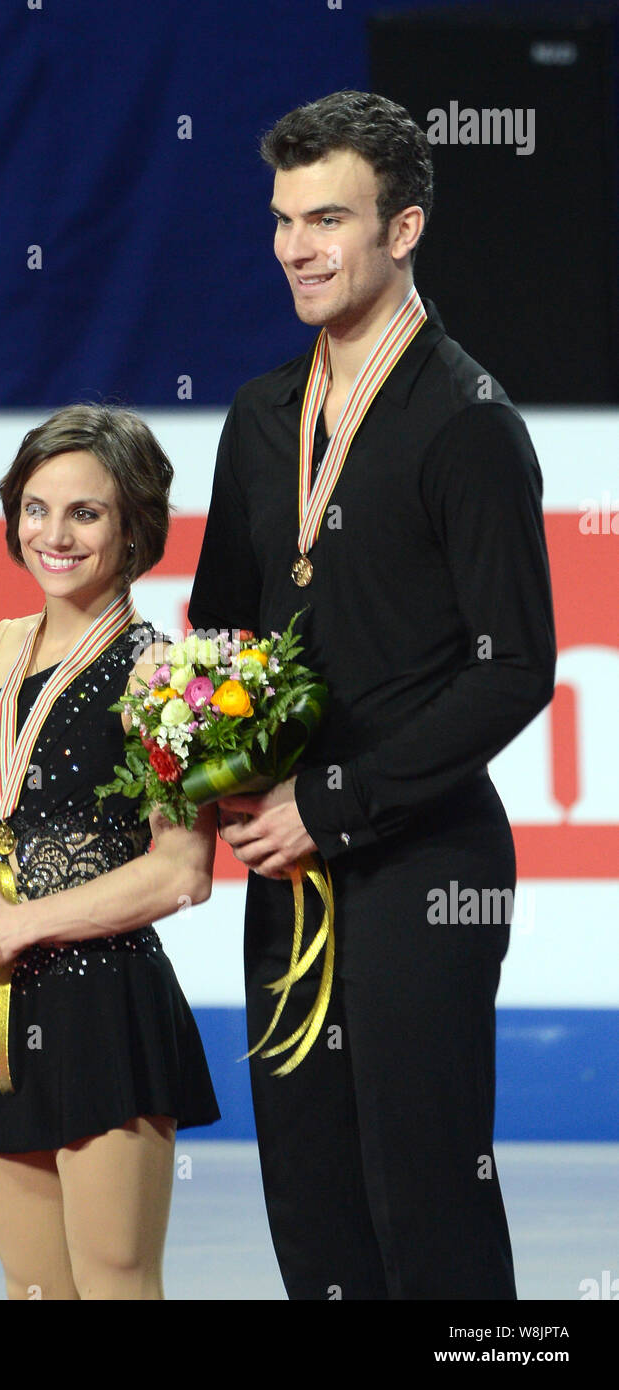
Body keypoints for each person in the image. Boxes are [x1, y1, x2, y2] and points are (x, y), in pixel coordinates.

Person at [188, 90, 556, 1300]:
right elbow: (219, 639)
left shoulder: (466, 422)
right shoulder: (256, 419)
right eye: (284, 217)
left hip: (419, 864)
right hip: (284, 869)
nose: (297, 244)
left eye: (328, 217)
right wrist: (209, 774)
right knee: (308, 1186)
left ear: (401, 229)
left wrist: (331, 799)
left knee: (425, 1191)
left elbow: (513, 665)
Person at [0, 404, 220, 1300]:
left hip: (108, 1003)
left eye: (86, 512)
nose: (54, 534)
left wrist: (24, 922)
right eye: (36, 508)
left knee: (114, 1282)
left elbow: (183, 870)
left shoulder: (165, 671)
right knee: (31, 1288)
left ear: (135, 525)